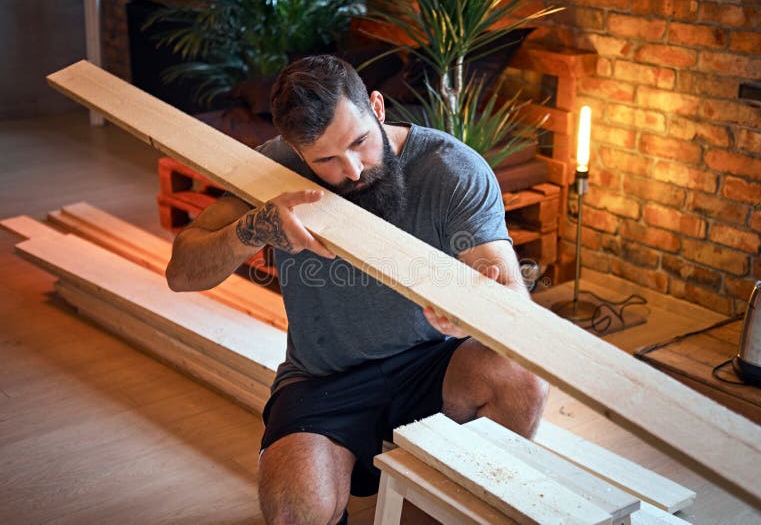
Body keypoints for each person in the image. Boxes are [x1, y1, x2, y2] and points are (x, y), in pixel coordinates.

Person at [166, 55, 549, 525]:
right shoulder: (275, 170)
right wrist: (254, 228)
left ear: (377, 106)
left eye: (360, 142)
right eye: (325, 159)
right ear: (295, 149)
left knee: (523, 379)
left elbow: (509, 290)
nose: (351, 169)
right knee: (295, 512)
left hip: (433, 364)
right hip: (325, 379)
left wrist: (478, 312)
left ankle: (447, 509)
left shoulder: (450, 170)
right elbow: (181, 272)